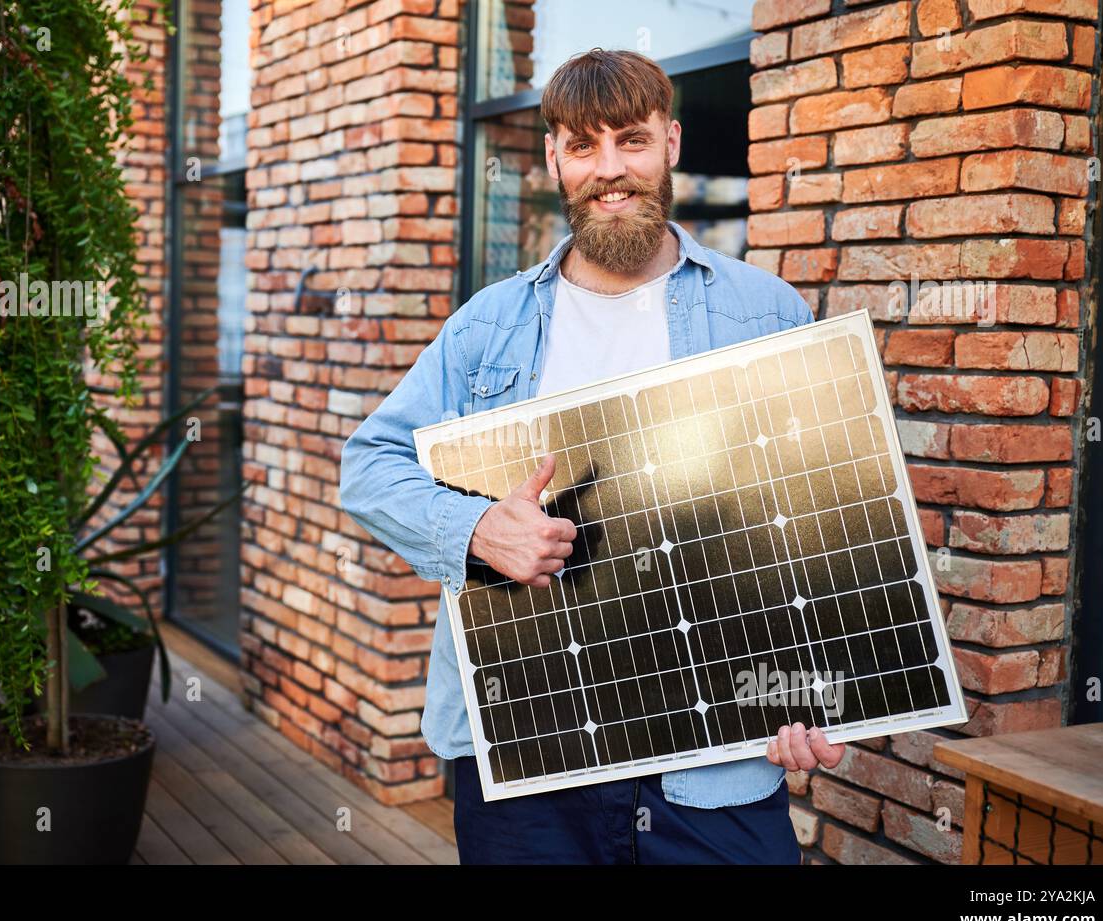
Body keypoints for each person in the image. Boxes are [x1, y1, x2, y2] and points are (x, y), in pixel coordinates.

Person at [340, 48, 845, 864]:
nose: (610, 170)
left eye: (632, 141)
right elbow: (369, 465)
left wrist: (812, 689)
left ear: (672, 144)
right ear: (554, 160)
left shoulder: (766, 315)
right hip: (530, 758)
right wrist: (475, 530)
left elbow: (819, 523)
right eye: (583, 145)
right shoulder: (488, 327)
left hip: (709, 764)